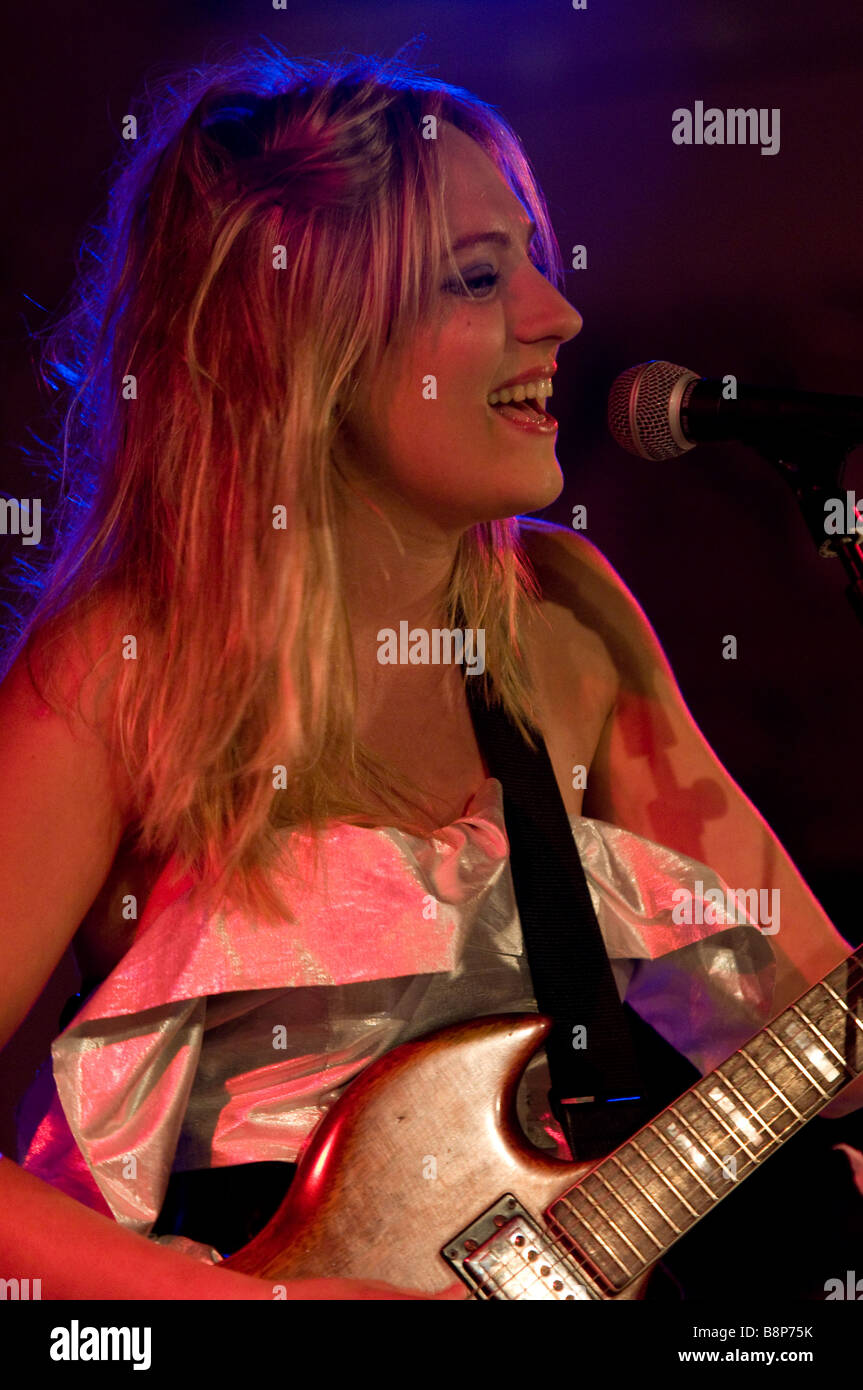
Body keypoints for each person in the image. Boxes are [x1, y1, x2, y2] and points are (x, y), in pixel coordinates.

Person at [0, 45, 859, 1303]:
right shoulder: (124, 673)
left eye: (535, 258)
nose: (556, 316)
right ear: (308, 340)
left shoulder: (562, 619)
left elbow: (815, 1031)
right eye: (476, 275)